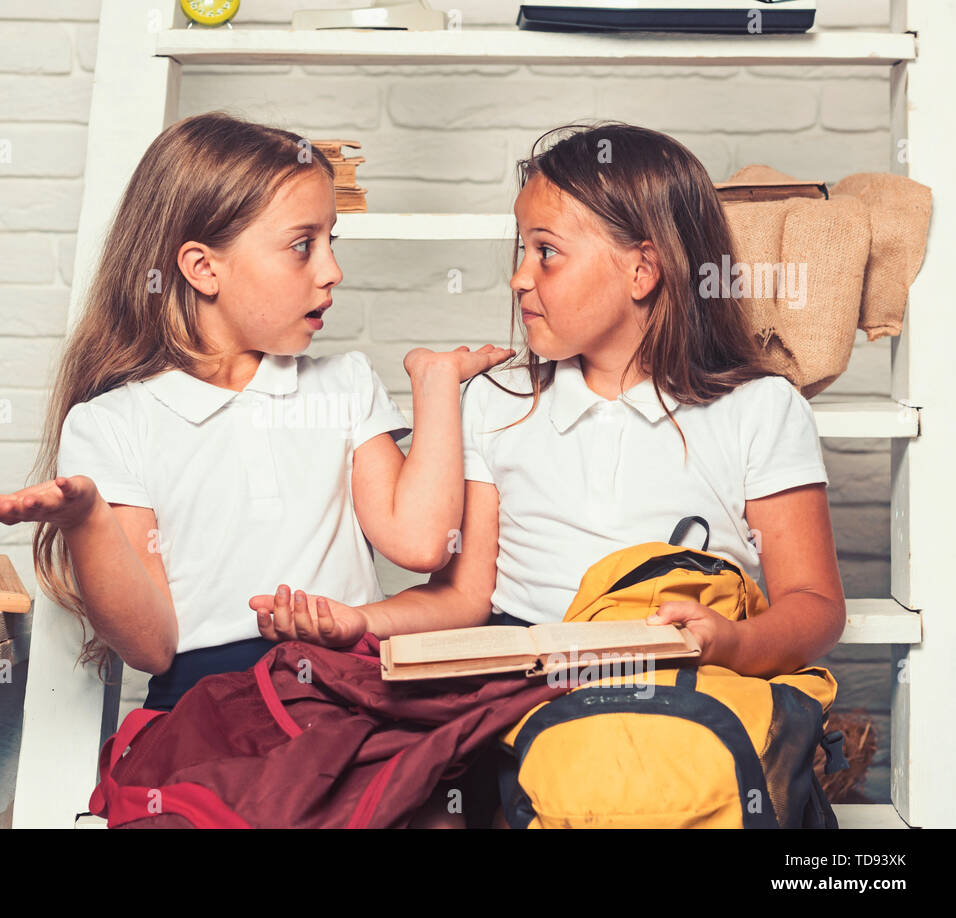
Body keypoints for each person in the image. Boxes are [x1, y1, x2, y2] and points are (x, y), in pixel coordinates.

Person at [251, 121, 848, 828]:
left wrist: (733, 641)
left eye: (546, 253)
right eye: (522, 249)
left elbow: (814, 604)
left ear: (642, 269)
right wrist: (358, 622)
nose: (519, 277)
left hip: (685, 691)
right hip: (531, 703)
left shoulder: (758, 409)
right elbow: (464, 596)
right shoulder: (497, 404)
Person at [0, 111, 513, 717]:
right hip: (208, 709)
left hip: (352, 690)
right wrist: (87, 519)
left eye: (333, 241)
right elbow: (151, 646)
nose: (332, 270)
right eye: (303, 246)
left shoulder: (345, 385)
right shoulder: (111, 424)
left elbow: (420, 544)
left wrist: (437, 387)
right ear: (204, 268)